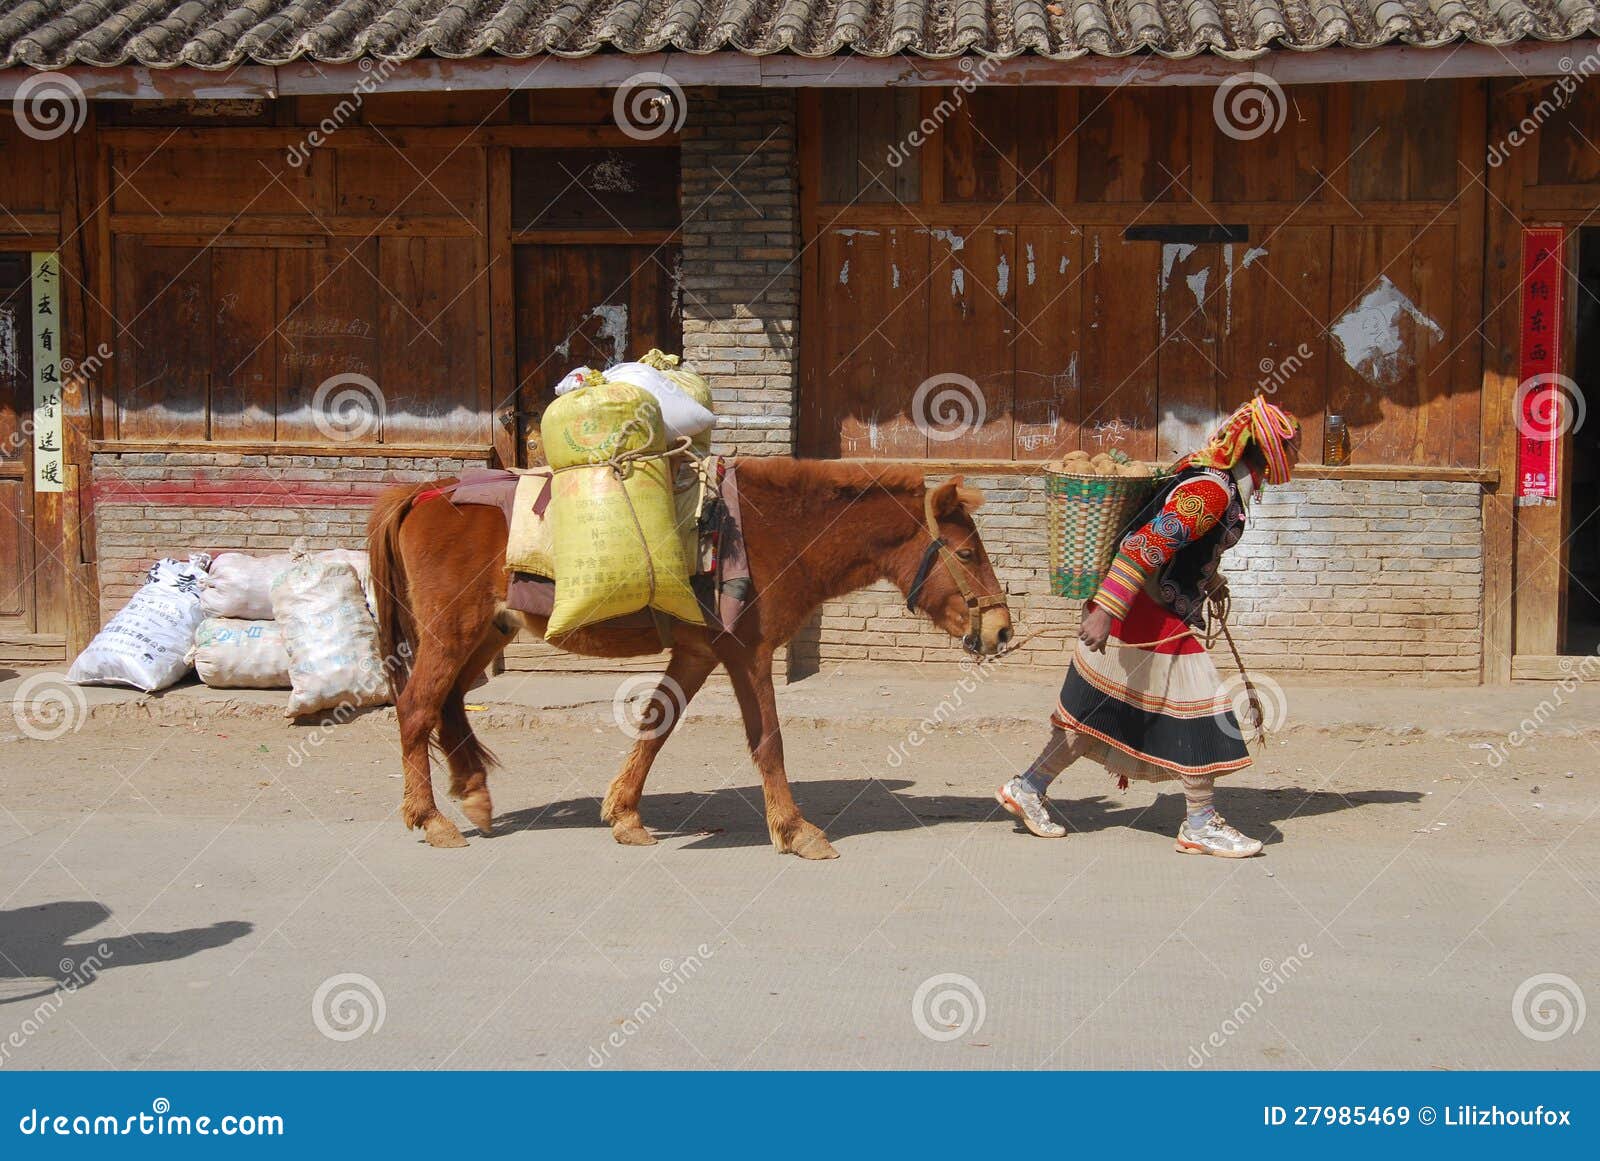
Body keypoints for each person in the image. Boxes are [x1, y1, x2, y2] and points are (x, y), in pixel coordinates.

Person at [998, 398, 1302, 857]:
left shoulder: (1220, 484)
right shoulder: (1213, 490)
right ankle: (1200, 823)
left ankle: (1028, 786)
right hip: (1143, 615)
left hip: (1148, 609)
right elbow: (1145, 544)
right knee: (1207, 711)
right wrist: (1106, 608)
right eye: (1293, 447)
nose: (1298, 456)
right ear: (1266, 450)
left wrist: (1208, 579)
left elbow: (1178, 548)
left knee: (1091, 715)